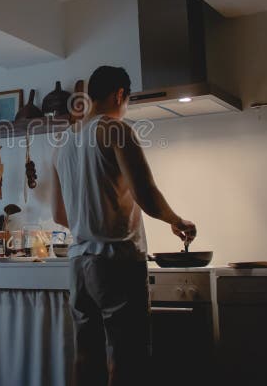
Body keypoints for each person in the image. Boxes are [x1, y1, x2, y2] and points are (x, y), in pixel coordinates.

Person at [50, 65, 197, 386]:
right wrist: (177, 220)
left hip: (79, 263)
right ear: (120, 94)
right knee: (126, 354)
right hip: (116, 259)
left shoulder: (63, 142)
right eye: (127, 99)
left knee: (85, 354)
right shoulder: (116, 130)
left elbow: (60, 215)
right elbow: (145, 193)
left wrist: (88, 214)